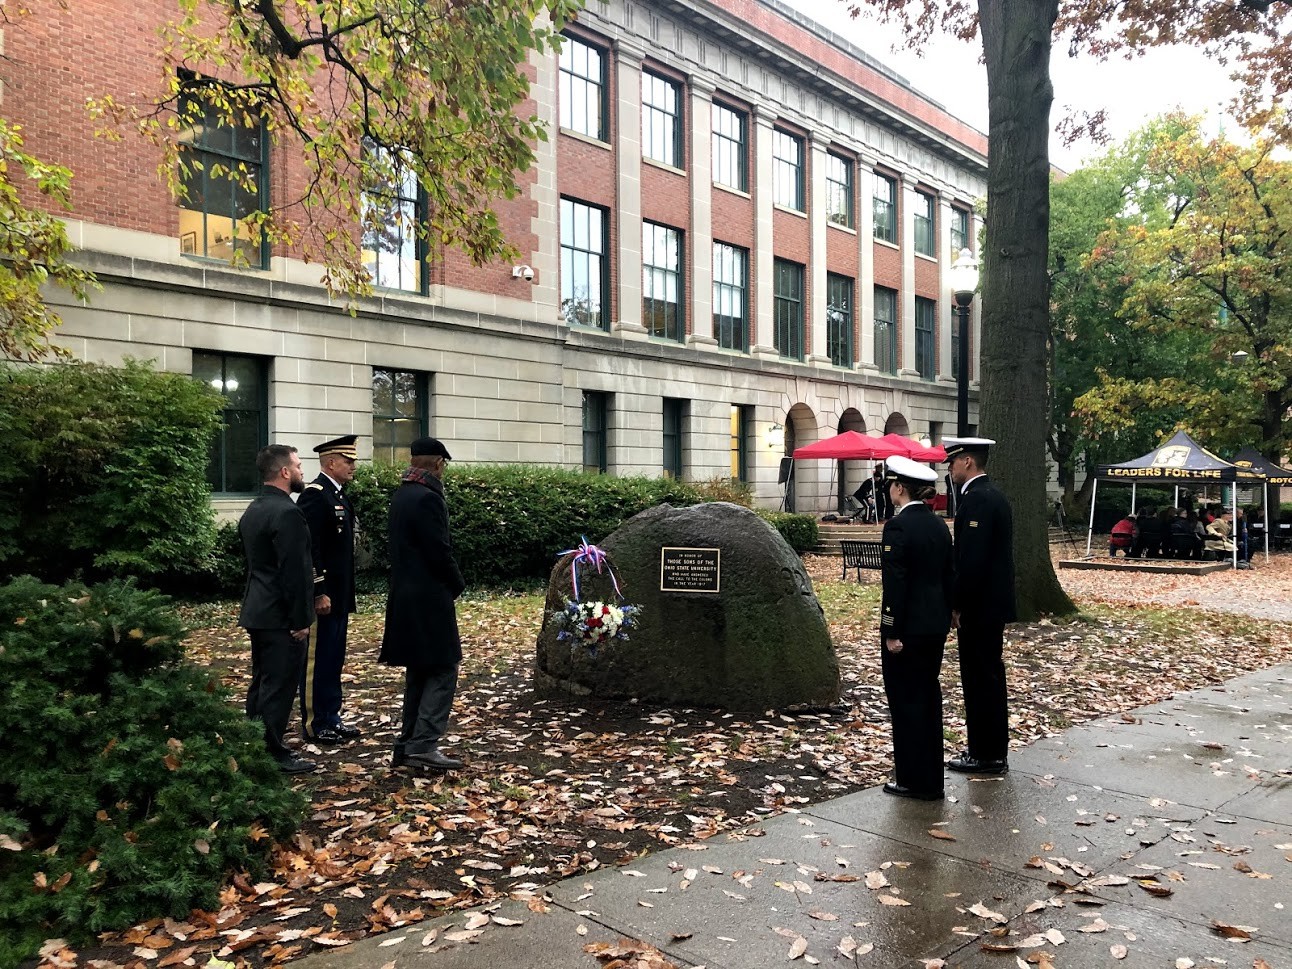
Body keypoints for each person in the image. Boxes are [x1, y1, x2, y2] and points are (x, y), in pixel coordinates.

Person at [380, 437, 467, 771]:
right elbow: (438, 550)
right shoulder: (429, 497)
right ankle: (423, 744)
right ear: (438, 463)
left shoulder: (403, 494)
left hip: (405, 595)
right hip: (428, 597)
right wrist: (456, 583)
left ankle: (406, 744)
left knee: (419, 670)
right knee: (444, 667)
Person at [237, 445, 318, 774]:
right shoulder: (287, 513)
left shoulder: (254, 508)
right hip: (280, 614)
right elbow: (294, 571)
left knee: (262, 682)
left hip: (258, 609)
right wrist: (300, 619)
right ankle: (271, 754)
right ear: (285, 472)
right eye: (298, 465)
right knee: (279, 685)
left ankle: (255, 746)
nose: (301, 471)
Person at [878, 456, 955, 801]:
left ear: (899, 488)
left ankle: (912, 779)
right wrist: (950, 612)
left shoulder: (898, 527)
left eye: (891, 486)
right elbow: (948, 574)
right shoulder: (938, 525)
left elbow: (895, 583)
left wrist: (891, 630)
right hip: (934, 625)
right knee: (928, 698)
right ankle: (931, 778)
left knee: (906, 703)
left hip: (908, 629)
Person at [941, 437, 1015, 776]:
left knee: (980, 679)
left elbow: (971, 561)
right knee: (987, 676)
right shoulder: (992, 495)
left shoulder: (978, 500)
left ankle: (985, 754)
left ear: (967, 461)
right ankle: (989, 749)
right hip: (989, 604)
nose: (950, 468)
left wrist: (956, 604)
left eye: (953, 462)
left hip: (980, 607)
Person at [297, 435, 360, 745]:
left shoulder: (338, 495)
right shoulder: (315, 495)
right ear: (331, 462)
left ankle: (332, 717)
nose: (353, 466)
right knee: (317, 660)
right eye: (348, 461)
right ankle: (314, 722)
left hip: (340, 594)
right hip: (324, 596)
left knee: (334, 658)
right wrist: (318, 591)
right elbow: (310, 549)